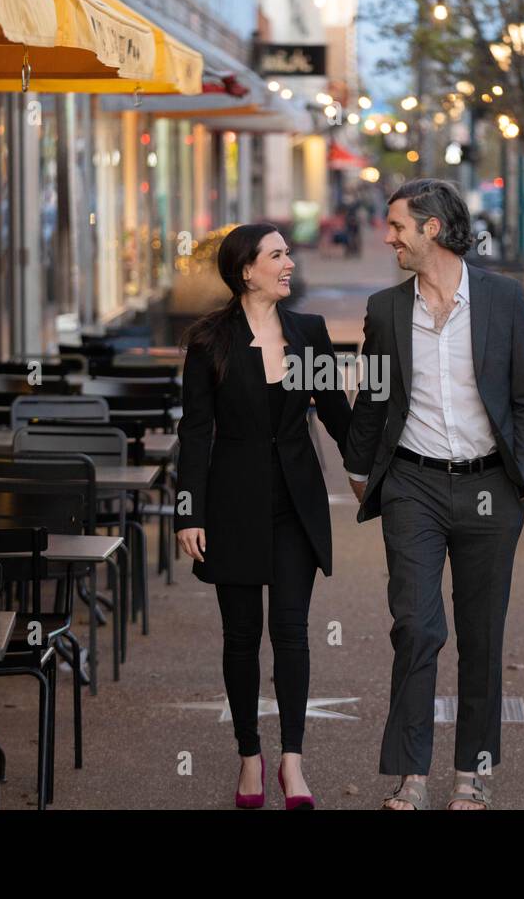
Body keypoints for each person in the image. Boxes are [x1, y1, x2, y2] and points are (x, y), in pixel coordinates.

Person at [344, 179, 524, 810]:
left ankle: (472, 773)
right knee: (416, 625)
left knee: (481, 634)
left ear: (432, 228)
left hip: (490, 489)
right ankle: (411, 774)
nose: (388, 236)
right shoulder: (384, 309)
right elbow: (374, 401)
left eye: (398, 225)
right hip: (414, 485)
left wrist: (523, 487)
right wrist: (359, 472)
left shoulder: (503, 299)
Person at [175, 223, 351, 809]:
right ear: (246, 270)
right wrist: (188, 511)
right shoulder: (209, 341)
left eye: (288, 254)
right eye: (277, 255)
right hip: (232, 506)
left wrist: (375, 462)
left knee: (293, 633)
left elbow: (335, 414)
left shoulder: (309, 332)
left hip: (296, 506)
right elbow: (195, 432)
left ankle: (291, 764)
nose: (289, 263)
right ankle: (250, 757)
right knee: (242, 636)